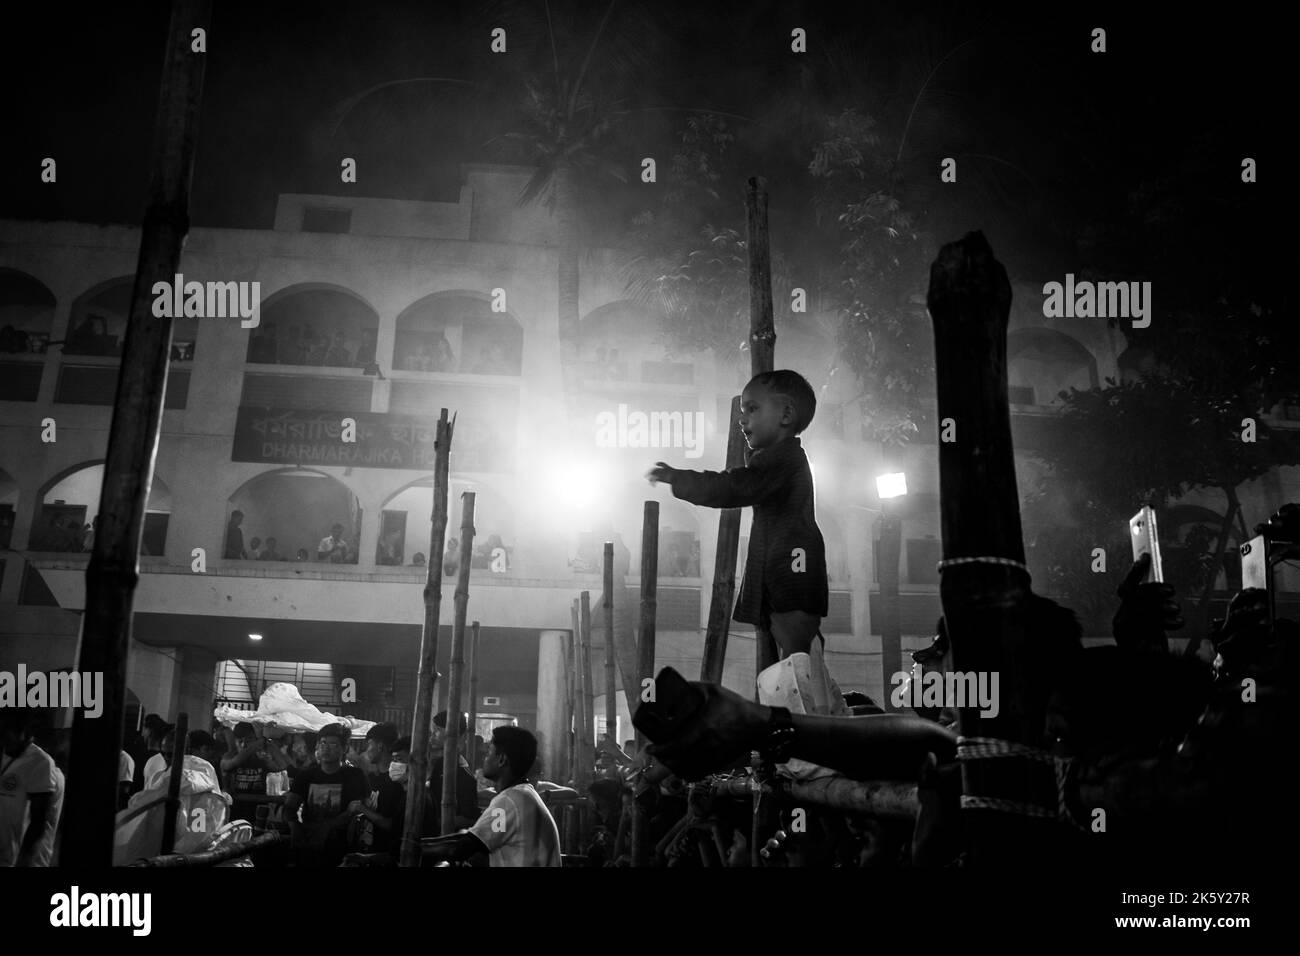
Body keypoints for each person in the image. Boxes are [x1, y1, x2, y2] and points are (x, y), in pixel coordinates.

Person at [648, 369, 846, 725]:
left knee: (796, 656)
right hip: (783, 569)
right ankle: (809, 734)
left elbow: (737, 487)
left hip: (791, 570)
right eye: (742, 412)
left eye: (752, 409)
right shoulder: (777, 459)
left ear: (785, 415)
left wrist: (681, 479)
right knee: (796, 656)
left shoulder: (782, 459)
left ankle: (809, 739)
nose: (743, 420)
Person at [423, 727, 562, 867]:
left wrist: (415, 847)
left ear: (502, 760)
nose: (485, 757)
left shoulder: (508, 801)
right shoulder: (521, 795)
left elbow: (462, 848)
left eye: (489, 752)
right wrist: (424, 843)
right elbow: (476, 839)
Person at [284, 723, 370, 867]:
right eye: (322, 742)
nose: (326, 748)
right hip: (309, 842)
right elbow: (290, 806)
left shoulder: (355, 775)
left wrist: (328, 826)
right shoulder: (306, 775)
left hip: (343, 847)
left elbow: (358, 809)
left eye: (333, 744)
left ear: (345, 749)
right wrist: (294, 827)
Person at [0, 708, 59, 867]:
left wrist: (24, 859)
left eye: (9, 732)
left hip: (11, 858)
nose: (4, 738)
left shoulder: (40, 762)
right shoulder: (4, 751)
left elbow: (39, 819)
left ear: (26, 732)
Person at [348, 723, 404, 857]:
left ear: (380, 746)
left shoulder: (397, 783)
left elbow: (392, 825)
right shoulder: (372, 779)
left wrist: (362, 808)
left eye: (369, 744)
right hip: (368, 852)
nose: (366, 750)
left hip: (385, 856)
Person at [427, 711, 479, 835]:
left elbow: (469, 818)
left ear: (453, 734)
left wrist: (434, 822)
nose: (432, 735)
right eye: (433, 730)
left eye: (438, 730)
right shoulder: (439, 765)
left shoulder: (462, 773)